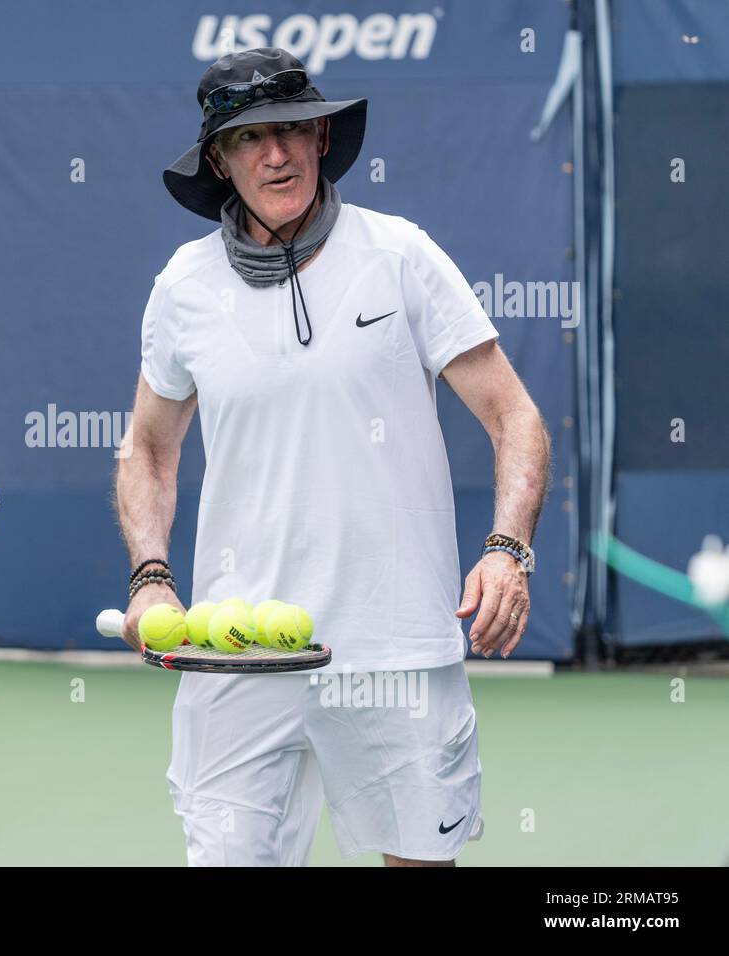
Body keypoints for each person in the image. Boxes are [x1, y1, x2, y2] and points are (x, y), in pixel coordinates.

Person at [115, 48, 551, 866]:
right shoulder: (183, 286)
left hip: (396, 649)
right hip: (237, 653)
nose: (274, 154)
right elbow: (146, 445)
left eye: (290, 131)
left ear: (320, 137)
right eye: (249, 139)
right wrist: (150, 573)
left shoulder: (400, 255)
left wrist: (506, 550)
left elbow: (514, 414)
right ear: (219, 160)